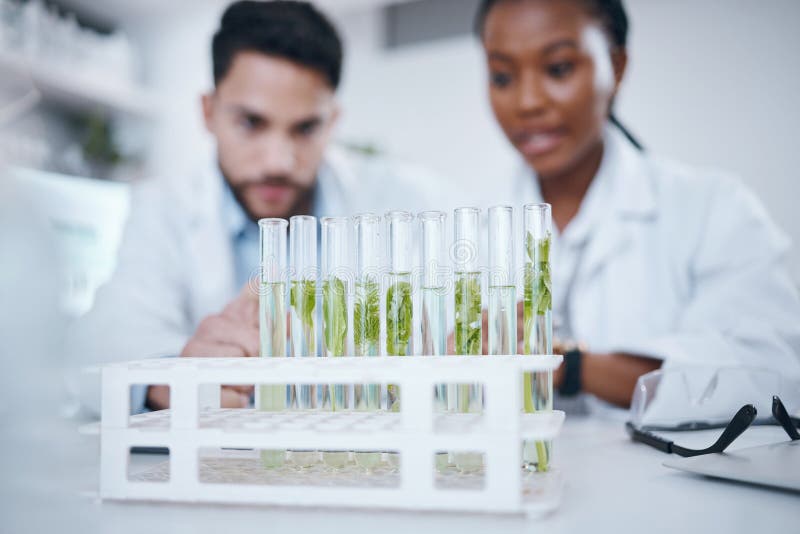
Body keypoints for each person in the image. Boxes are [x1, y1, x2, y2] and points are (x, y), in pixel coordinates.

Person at [68, 0, 442, 414]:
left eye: (305, 128)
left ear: (332, 122)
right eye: (251, 123)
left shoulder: (398, 200)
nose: (277, 161)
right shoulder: (164, 209)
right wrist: (172, 380)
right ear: (208, 112)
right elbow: (99, 353)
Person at [474, 0, 800, 408]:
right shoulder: (470, 234)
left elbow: (766, 381)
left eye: (558, 68)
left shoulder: (713, 210)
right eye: (502, 77)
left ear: (618, 66)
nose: (527, 102)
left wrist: (565, 365)